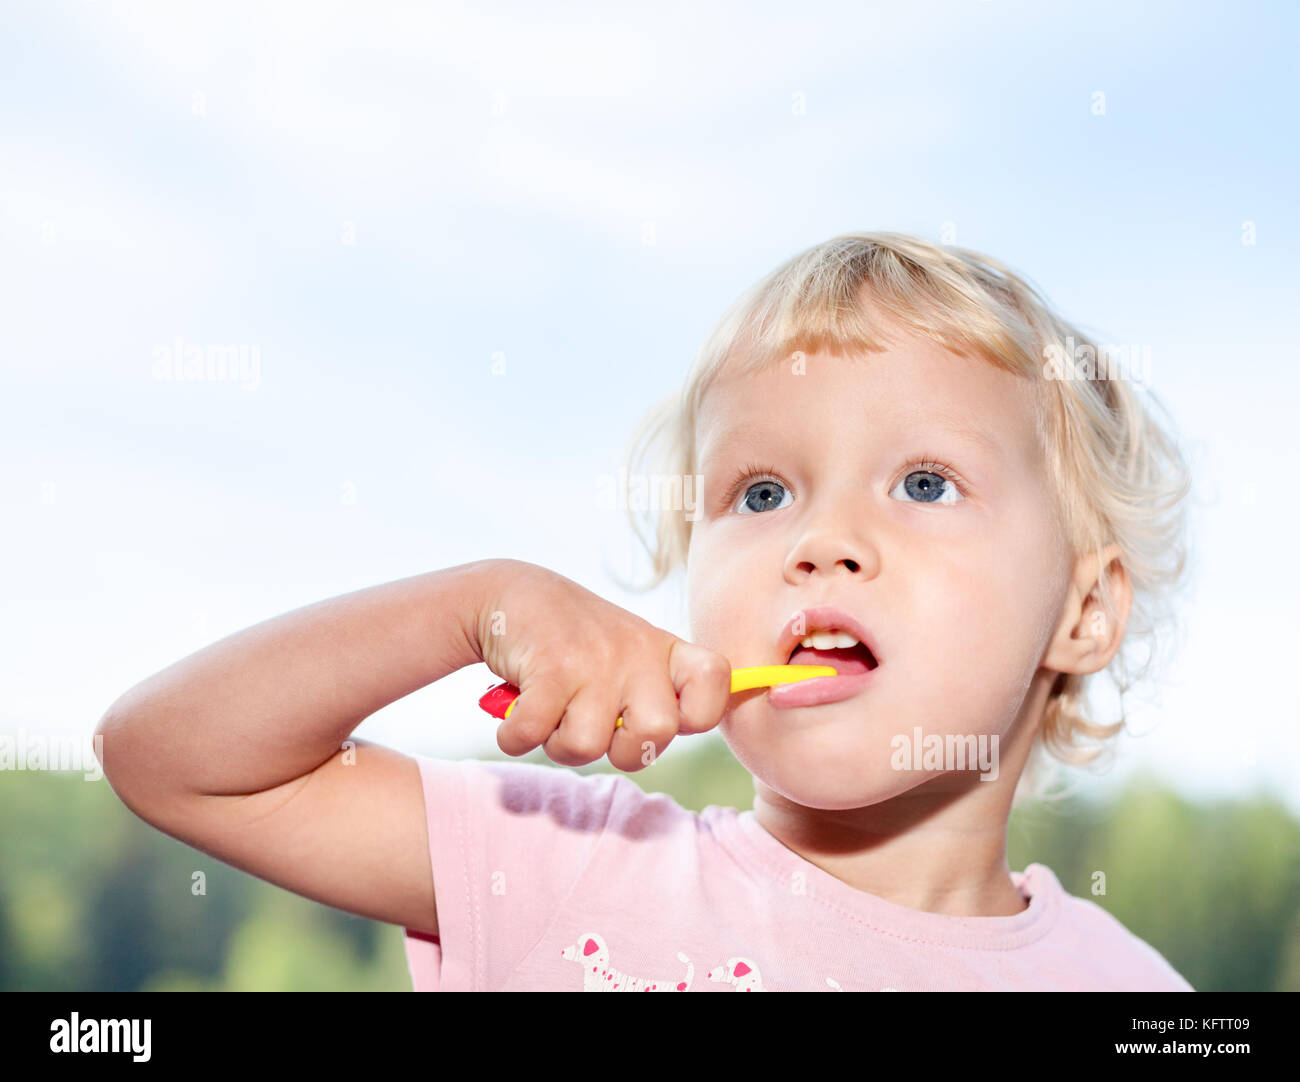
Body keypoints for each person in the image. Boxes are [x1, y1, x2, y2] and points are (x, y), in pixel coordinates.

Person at [95, 232, 1194, 991]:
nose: (821, 540)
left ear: (1084, 610)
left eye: (923, 482)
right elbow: (171, 756)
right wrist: (472, 603)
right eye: (761, 492)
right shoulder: (560, 861)